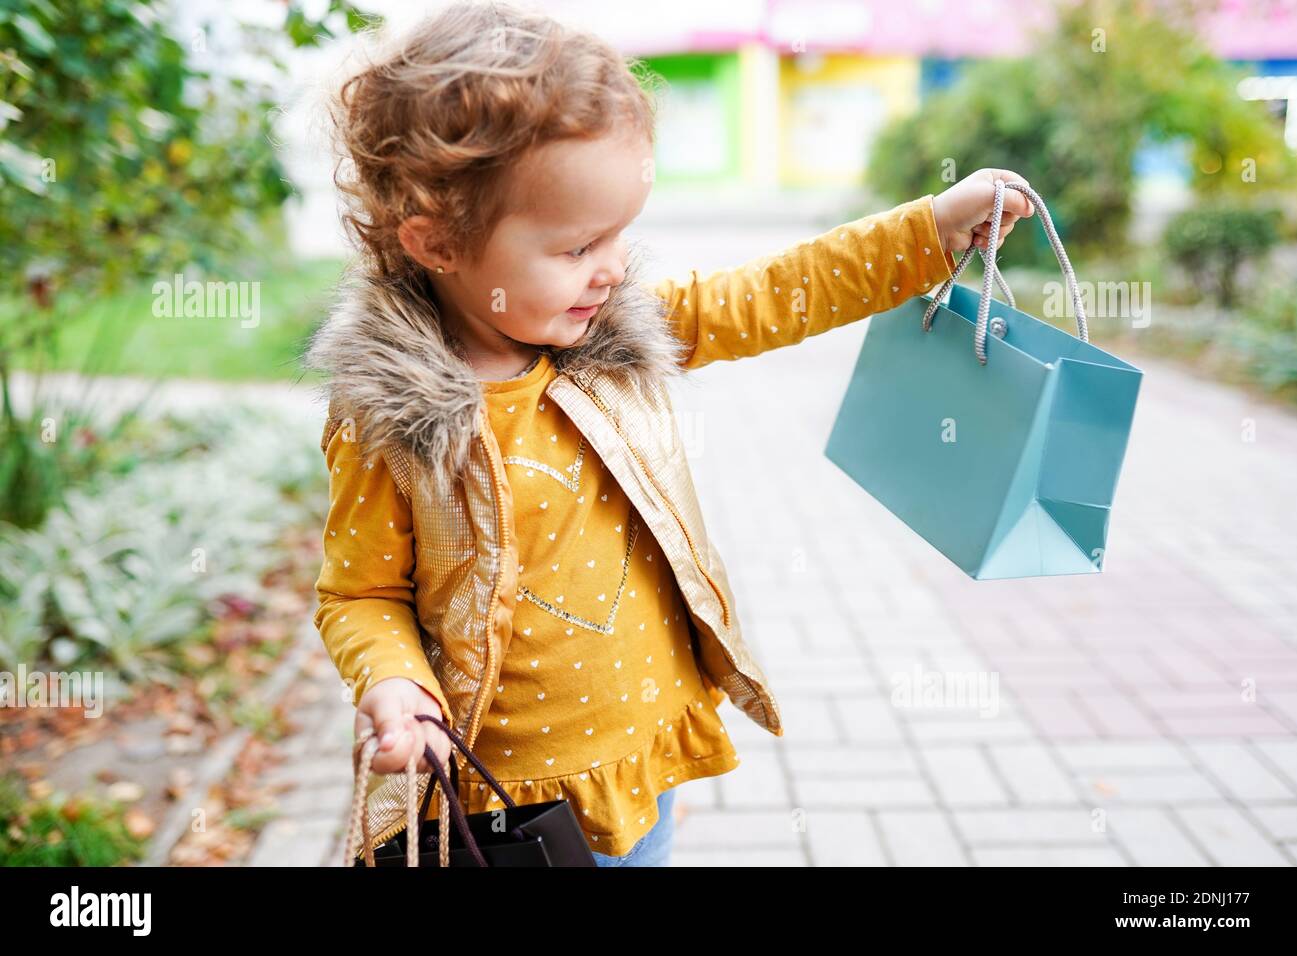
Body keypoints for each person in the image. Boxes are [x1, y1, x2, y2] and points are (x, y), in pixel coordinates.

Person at [304, 0, 1034, 866]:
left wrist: (931, 230)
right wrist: (396, 687)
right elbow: (361, 594)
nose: (611, 267)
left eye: (619, 236)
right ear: (438, 242)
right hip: (510, 812)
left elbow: (774, 292)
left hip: (643, 771)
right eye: (577, 247)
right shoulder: (393, 418)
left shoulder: (610, 333)